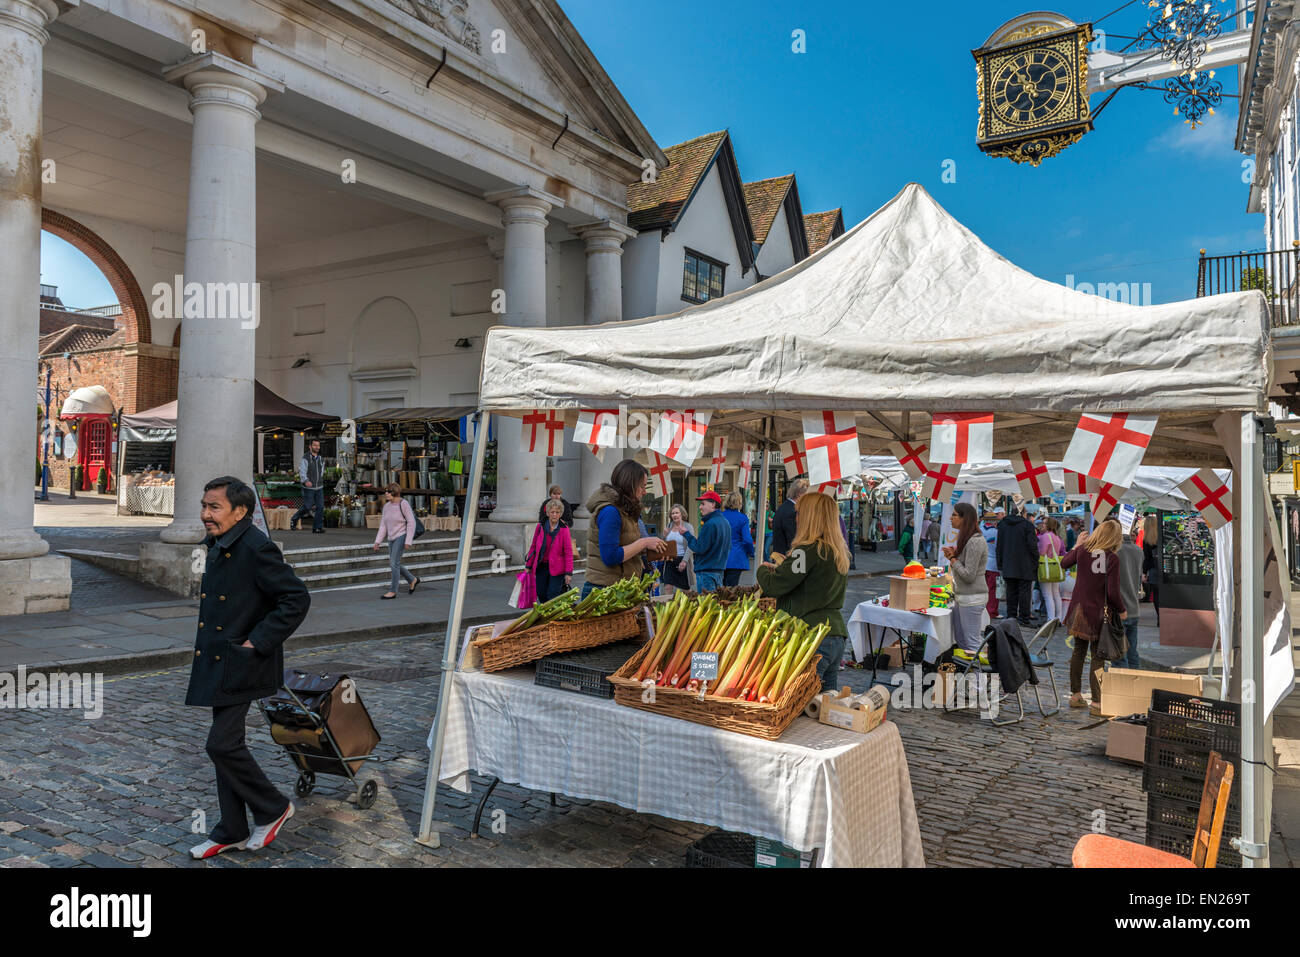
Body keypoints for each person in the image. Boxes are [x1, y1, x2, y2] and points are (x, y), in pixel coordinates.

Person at [187, 476, 309, 859]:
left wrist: (258, 640)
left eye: (214, 507)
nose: (206, 514)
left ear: (240, 511)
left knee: (221, 744)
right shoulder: (222, 543)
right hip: (220, 660)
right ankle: (232, 829)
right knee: (227, 747)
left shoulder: (257, 548)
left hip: (243, 662)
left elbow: (296, 598)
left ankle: (272, 807)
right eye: (204, 506)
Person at [756, 492, 849, 692]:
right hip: (835, 634)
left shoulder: (806, 550)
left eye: (798, 514)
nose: (795, 518)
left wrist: (762, 570)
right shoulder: (837, 550)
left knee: (800, 703)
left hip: (811, 634)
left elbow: (774, 586)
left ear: (810, 517)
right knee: (826, 705)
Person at [1059, 518, 1126, 714]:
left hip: (1079, 611)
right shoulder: (1112, 558)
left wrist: (1077, 545)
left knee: (1078, 651)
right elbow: (1112, 592)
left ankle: (1075, 695)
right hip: (1098, 612)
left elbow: (1064, 563)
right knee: (1098, 657)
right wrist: (1121, 609)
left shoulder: (1082, 552)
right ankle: (1097, 702)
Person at [583, 460, 667, 598]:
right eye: (642, 486)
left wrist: (654, 550)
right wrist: (644, 542)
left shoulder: (625, 511)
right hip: (604, 591)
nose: (645, 492)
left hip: (620, 588)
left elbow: (627, 546)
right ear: (630, 484)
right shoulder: (610, 511)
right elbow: (610, 556)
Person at [944, 502, 989, 652]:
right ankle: (974, 672)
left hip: (972, 598)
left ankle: (981, 674)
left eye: (954, 515)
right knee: (962, 639)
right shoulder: (968, 539)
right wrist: (955, 556)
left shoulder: (975, 541)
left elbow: (969, 575)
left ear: (965, 519)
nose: (951, 518)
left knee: (972, 642)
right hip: (964, 597)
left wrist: (953, 559)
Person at [371, 483, 421, 599]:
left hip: (401, 535)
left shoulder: (404, 504)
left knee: (394, 563)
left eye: (388, 491)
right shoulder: (386, 507)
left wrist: (408, 541)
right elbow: (383, 525)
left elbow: (411, 522)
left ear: (395, 492)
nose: (386, 493)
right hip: (391, 538)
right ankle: (412, 579)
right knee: (394, 563)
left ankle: (393, 591)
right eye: (386, 491)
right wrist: (377, 542)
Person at [679, 491, 730, 593]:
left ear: (713, 504)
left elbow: (699, 548)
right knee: (715, 604)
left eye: (703, 504)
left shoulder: (710, 524)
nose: (700, 507)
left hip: (706, 572)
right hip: (718, 571)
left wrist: (687, 534)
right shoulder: (725, 522)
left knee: (707, 606)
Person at [996, 506, 1039, 626]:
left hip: (1008, 563)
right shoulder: (1027, 525)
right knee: (1024, 592)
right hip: (1025, 564)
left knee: (1011, 591)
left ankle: (1011, 616)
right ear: (1024, 513)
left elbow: (999, 546)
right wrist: (1035, 560)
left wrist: (1000, 563)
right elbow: (1032, 546)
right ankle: (1023, 618)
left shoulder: (1003, 525)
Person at [525, 498, 573, 603]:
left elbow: (568, 552)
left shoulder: (564, 529)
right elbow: (533, 547)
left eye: (557, 512)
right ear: (547, 513)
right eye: (552, 512)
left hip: (557, 568)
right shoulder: (540, 527)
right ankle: (545, 614)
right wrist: (528, 566)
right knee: (540, 593)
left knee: (553, 594)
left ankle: (551, 616)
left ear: (560, 514)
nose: (554, 515)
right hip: (541, 566)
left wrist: (568, 573)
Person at [1118, 528, 1144, 671]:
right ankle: (1135, 680)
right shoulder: (1138, 551)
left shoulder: (1115, 552)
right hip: (1134, 607)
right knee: (1132, 651)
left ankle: (1124, 687)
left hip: (1120, 608)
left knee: (1120, 654)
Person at [290, 438, 326, 533]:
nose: (317, 447)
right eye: (315, 445)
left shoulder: (321, 458)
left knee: (320, 507)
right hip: (308, 487)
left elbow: (322, 471)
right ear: (310, 447)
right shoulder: (305, 458)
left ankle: (317, 527)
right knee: (307, 507)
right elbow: (302, 471)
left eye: (318, 445)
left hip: (319, 487)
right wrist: (306, 480)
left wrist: (320, 479)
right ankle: (294, 518)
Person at [721, 490, 755, 587]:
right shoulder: (742, 518)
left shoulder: (720, 516)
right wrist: (751, 552)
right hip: (736, 557)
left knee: (720, 589)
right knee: (732, 589)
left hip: (720, 557)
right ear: (739, 503)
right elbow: (747, 540)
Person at [661, 504, 694, 596]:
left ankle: (688, 606)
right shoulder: (669, 526)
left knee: (685, 590)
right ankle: (669, 608)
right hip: (670, 560)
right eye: (672, 513)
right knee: (667, 587)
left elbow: (691, 545)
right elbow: (663, 544)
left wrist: (684, 561)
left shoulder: (688, 527)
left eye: (676, 513)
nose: (674, 515)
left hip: (682, 560)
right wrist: (663, 536)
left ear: (682, 514)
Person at [1038, 516, 1065, 623]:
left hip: (1046, 567)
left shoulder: (1045, 537)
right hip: (1055, 567)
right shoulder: (1057, 537)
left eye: (1044, 523)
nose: (1042, 525)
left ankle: (1051, 618)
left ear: (1048, 525)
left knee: (1047, 594)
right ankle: (1059, 617)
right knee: (1056, 593)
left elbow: (1042, 552)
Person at [771, 478, 808, 556]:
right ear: (799, 494)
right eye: (808, 494)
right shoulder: (792, 512)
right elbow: (793, 540)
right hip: (788, 558)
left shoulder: (784, 507)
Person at [1141, 513, 1160, 624]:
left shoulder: (1146, 540)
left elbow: (1147, 559)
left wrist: (1144, 572)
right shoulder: (1161, 537)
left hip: (1153, 571)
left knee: (1156, 596)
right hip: (1163, 568)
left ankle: (1159, 618)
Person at [982, 510, 1001, 619]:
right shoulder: (996, 532)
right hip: (993, 563)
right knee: (993, 589)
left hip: (982, 563)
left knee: (984, 588)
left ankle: (984, 609)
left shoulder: (980, 530)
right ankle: (992, 611)